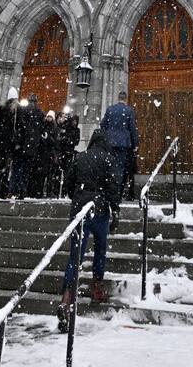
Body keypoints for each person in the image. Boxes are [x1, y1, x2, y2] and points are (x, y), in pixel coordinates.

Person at [55, 129, 122, 330]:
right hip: (99, 209)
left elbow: (68, 183)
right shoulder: (108, 159)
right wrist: (115, 210)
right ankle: (97, 287)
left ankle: (66, 299)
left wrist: (77, 197)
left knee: (76, 254)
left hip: (80, 210)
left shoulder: (80, 157)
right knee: (100, 248)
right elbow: (113, 187)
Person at [99, 90, 138, 199]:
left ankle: (108, 192)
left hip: (110, 143)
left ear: (118, 98)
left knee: (109, 167)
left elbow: (102, 125)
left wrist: (108, 136)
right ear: (125, 99)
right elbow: (132, 129)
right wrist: (135, 144)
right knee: (120, 169)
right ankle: (117, 194)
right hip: (123, 144)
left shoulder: (110, 109)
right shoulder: (129, 110)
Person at [10, 94, 45, 198]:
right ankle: (20, 190)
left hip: (24, 147)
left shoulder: (27, 112)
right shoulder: (36, 113)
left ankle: (17, 190)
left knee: (20, 170)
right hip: (28, 148)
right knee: (23, 171)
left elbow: (20, 128)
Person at [58, 113, 82, 197]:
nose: (74, 123)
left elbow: (76, 141)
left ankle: (65, 190)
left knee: (68, 172)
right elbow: (61, 138)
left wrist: (70, 141)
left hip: (70, 152)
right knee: (62, 171)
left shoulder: (77, 130)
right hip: (63, 151)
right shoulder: (66, 128)